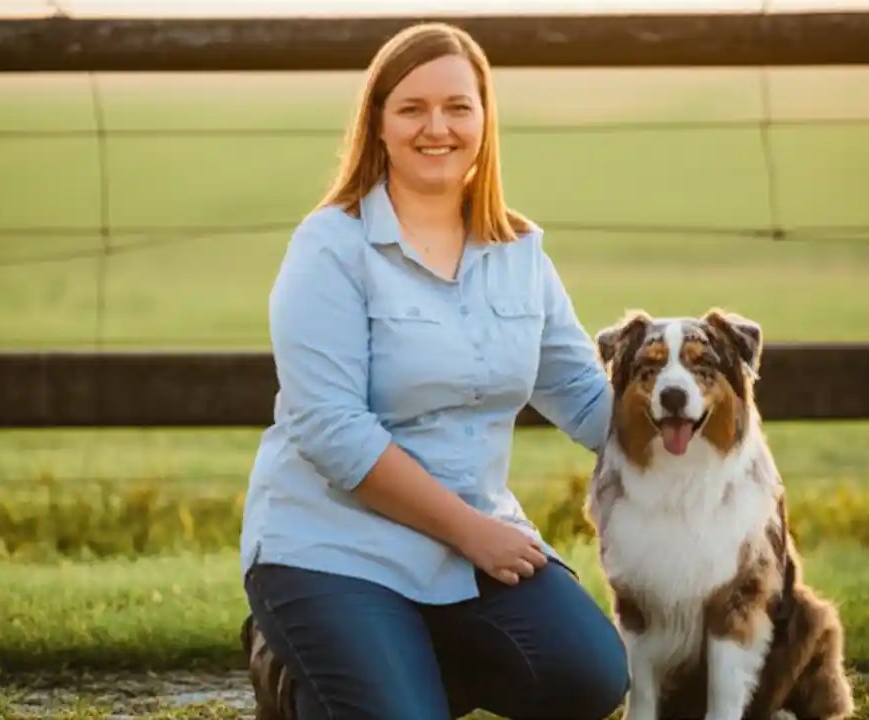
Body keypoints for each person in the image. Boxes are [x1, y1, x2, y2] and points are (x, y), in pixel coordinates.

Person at [239, 20, 629, 720]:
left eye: (457, 107)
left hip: (470, 544)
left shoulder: (519, 250)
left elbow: (581, 393)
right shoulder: (331, 246)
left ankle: (385, 666)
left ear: (484, 120)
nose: (436, 128)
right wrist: (470, 532)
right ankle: (296, 676)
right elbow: (332, 430)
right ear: (378, 125)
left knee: (591, 678)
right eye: (412, 109)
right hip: (335, 546)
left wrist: (698, 432)